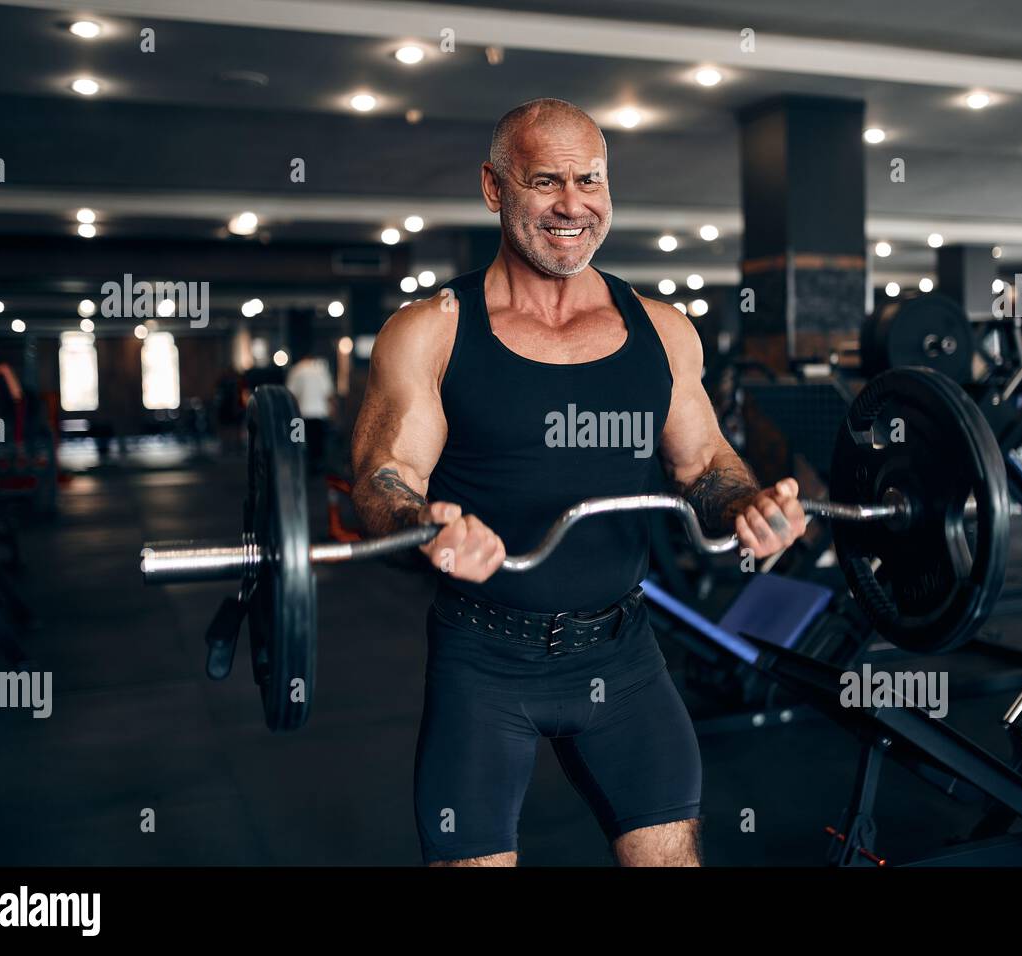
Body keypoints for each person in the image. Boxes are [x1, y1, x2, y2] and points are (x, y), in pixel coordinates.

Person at [351, 98, 807, 867]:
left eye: (589, 180)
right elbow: (381, 480)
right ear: (495, 190)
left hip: (624, 657)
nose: (573, 205)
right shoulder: (433, 328)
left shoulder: (661, 329)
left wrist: (749, 506)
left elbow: (704, 467)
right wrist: (427, 524)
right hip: (484, 662)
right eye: (545, 182)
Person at [285, 351, 335, 473]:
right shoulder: (320, 370)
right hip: (319, 413)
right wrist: (332, 410)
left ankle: (301, 466)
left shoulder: (295, 370)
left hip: (300, 414)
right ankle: (317, 466)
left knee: (299, 441)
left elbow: (290, 394)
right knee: (317, 441)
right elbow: (328, 393)